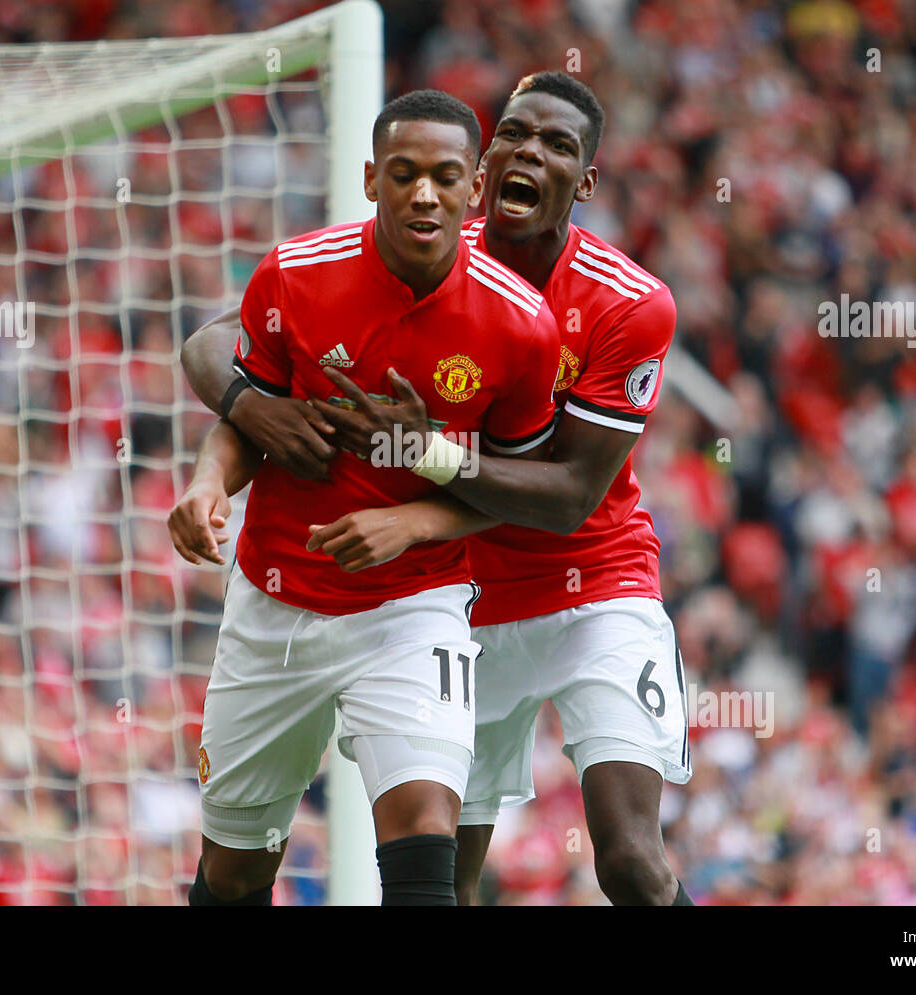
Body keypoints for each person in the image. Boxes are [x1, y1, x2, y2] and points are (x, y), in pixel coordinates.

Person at [179, 72, 694, 906]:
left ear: (586, 181)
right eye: (514, 134)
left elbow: (569, 497)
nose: (530, 150)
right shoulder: (425, 236)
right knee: (437, 877)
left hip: (589, 583)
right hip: (468, 591)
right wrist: (254, 411)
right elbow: (217, 342)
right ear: (485, 164)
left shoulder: (626, 303)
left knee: (631, 860)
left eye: (557, 144)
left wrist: (426, 459)